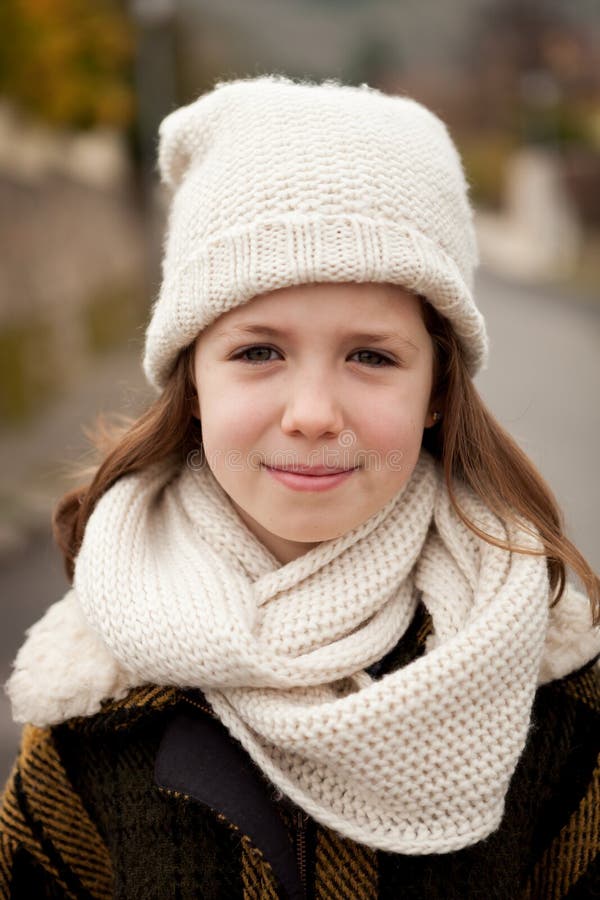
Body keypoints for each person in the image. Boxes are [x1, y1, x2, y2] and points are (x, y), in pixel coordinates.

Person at [1, 73, 598, 900]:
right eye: (258, 352)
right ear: (193, 380)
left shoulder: (558, 693)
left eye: (372, 356)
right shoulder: (93, 706)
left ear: (438, 391)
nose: (313, 414)